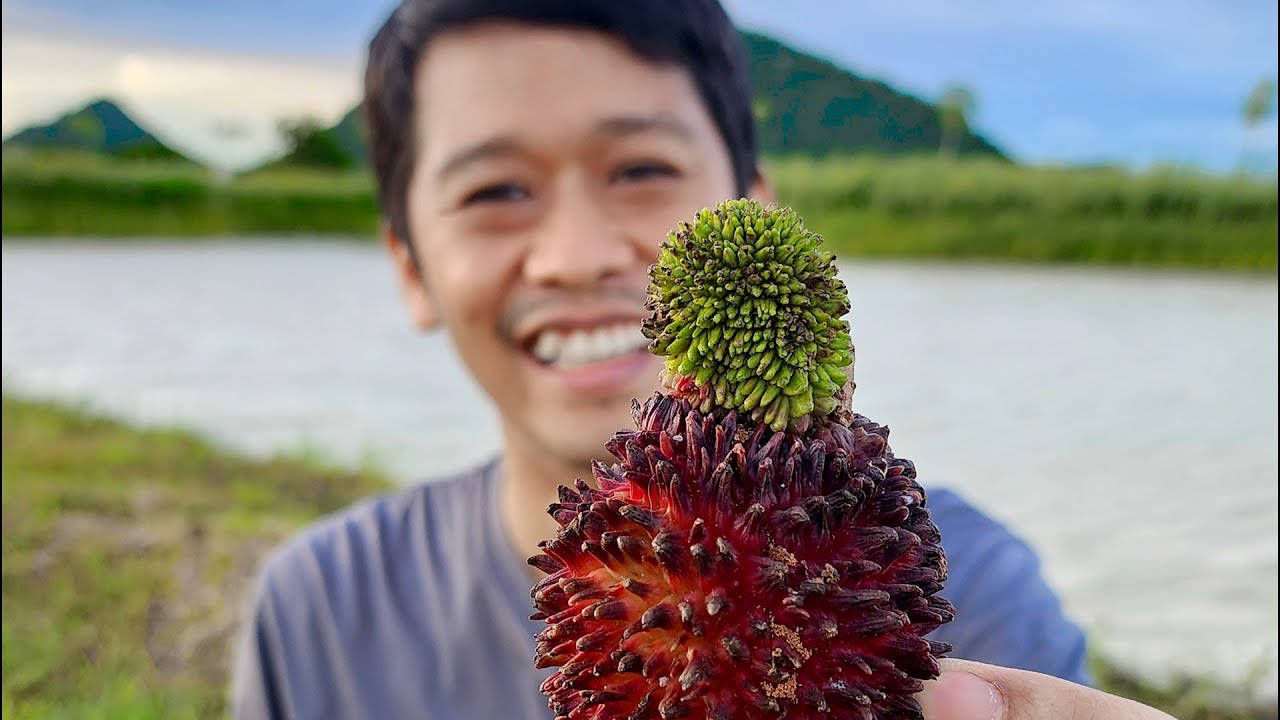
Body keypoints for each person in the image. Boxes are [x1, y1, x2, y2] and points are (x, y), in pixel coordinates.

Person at [230, 2, 1172, 719]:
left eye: (640, 169)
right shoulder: (319, 613)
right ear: (410, 266)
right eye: (496, 189)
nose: (578, 254)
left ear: (756, 205)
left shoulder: (981, 596)